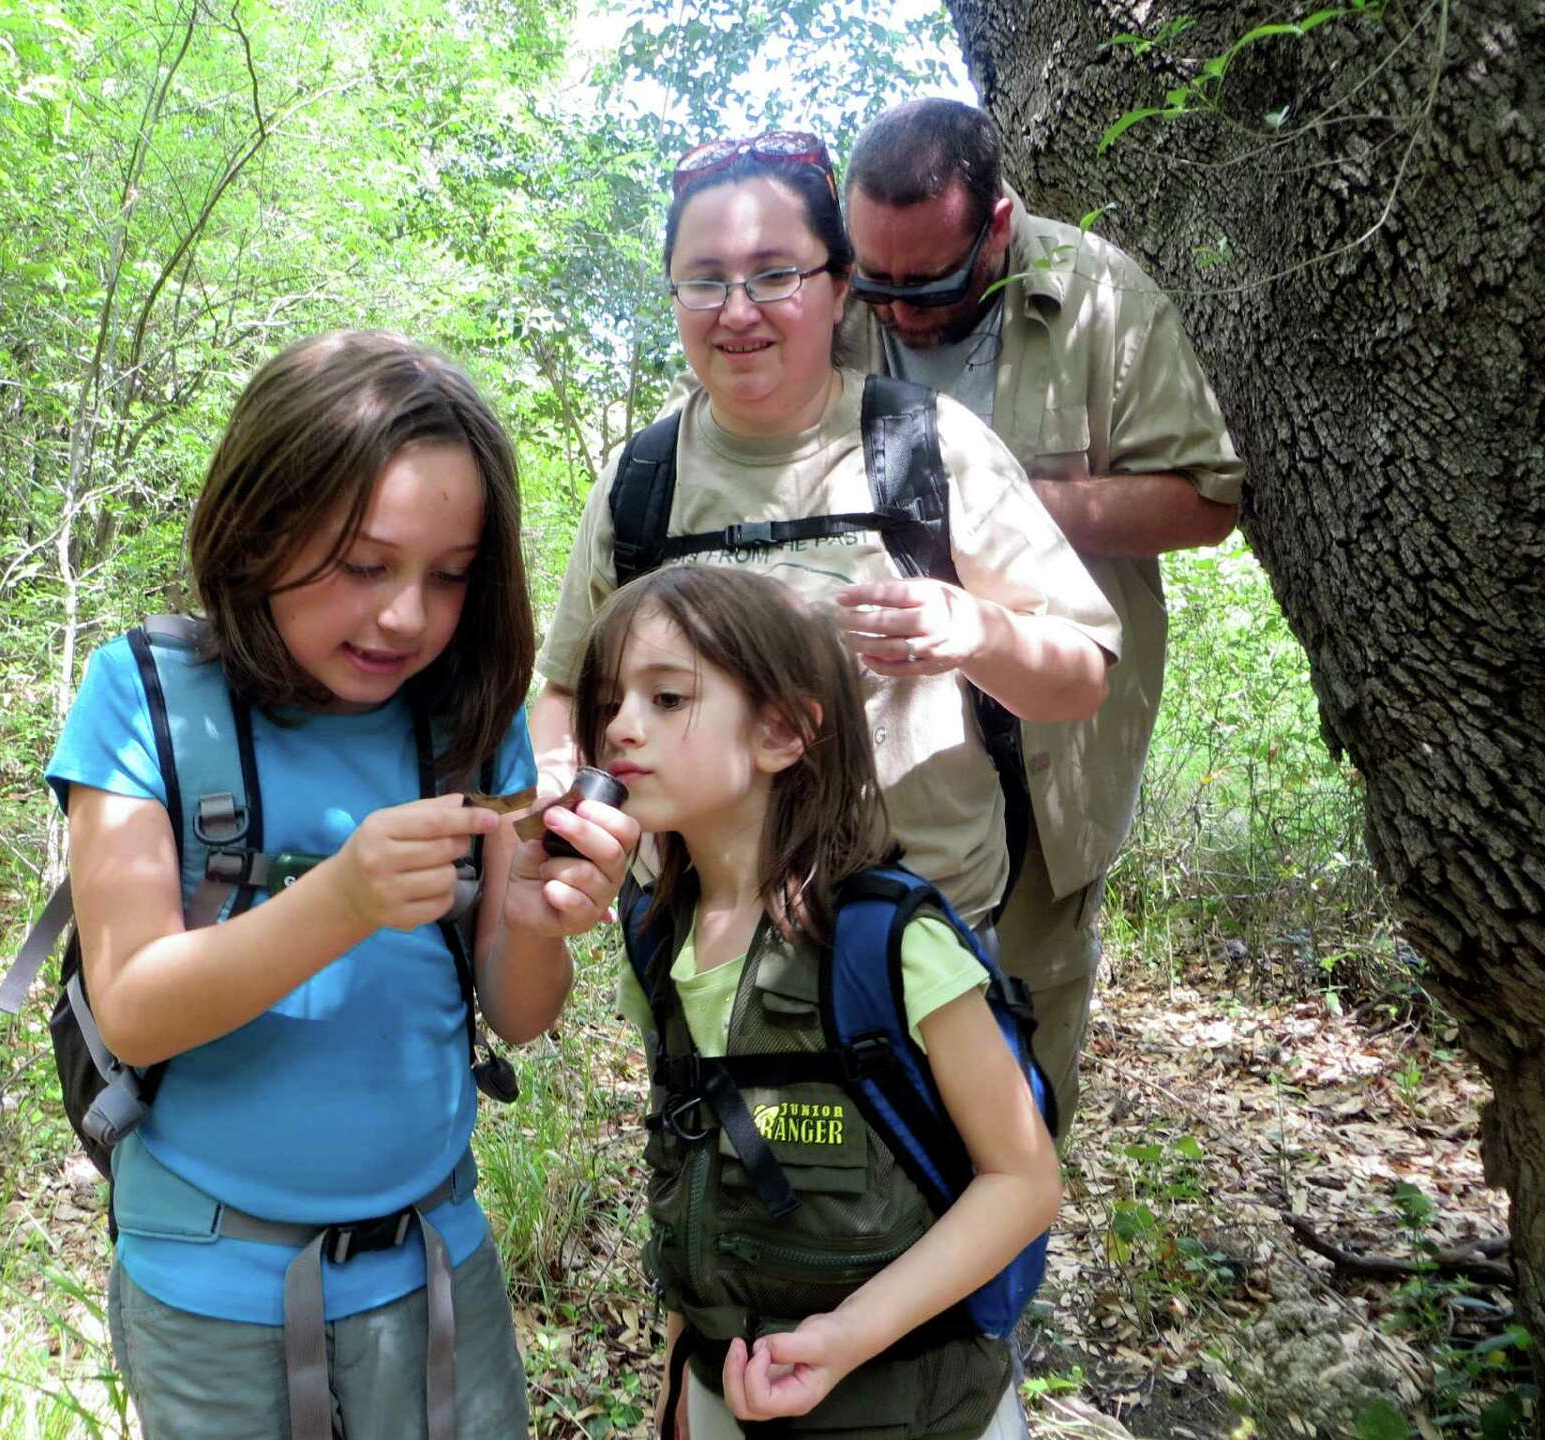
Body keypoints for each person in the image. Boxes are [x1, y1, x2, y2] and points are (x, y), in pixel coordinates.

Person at [46, 330, 638, 1440]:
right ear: (259, 524)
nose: (407, 615)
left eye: (449, 576)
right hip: (212, 1288)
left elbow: (518, 1013)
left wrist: (537, 919)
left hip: (434, 1270)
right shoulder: (149, 701)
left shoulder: (468, 717)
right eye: (364, 564)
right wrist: (341, 901)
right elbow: (133, 1002)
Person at [530, 132, 1121, 937]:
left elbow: (1082, 674)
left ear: (840, 286)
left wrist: (975, 632)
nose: (738, 311)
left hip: (916, 942)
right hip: (700, 951)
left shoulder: (929, 445)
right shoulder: (641, 481)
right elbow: (566, 687)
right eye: (703, 282)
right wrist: (558, 777)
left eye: (776, 274)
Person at [578, 564, 1060, 1439]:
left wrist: (844, 1339)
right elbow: (691, 1175)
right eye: (611, 701)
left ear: (783, 732)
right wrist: (680, 1382)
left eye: (667, 698)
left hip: (920, 1412)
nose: (620, 727)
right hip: (726, 1400)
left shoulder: (887, 946)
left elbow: (1022, 1182)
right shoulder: (658, 942)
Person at [839, 98, 1247, 1133]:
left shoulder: (1103, 297)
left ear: (1000, 225)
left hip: (1045, 749)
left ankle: (997, 1272)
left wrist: (992, 504)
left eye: (926, 283)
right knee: (855, 1030)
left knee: (1019, 1036)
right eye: (872, 279)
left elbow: (1205, 498)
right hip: (868, 748)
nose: (894, 310)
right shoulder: (831, 294)